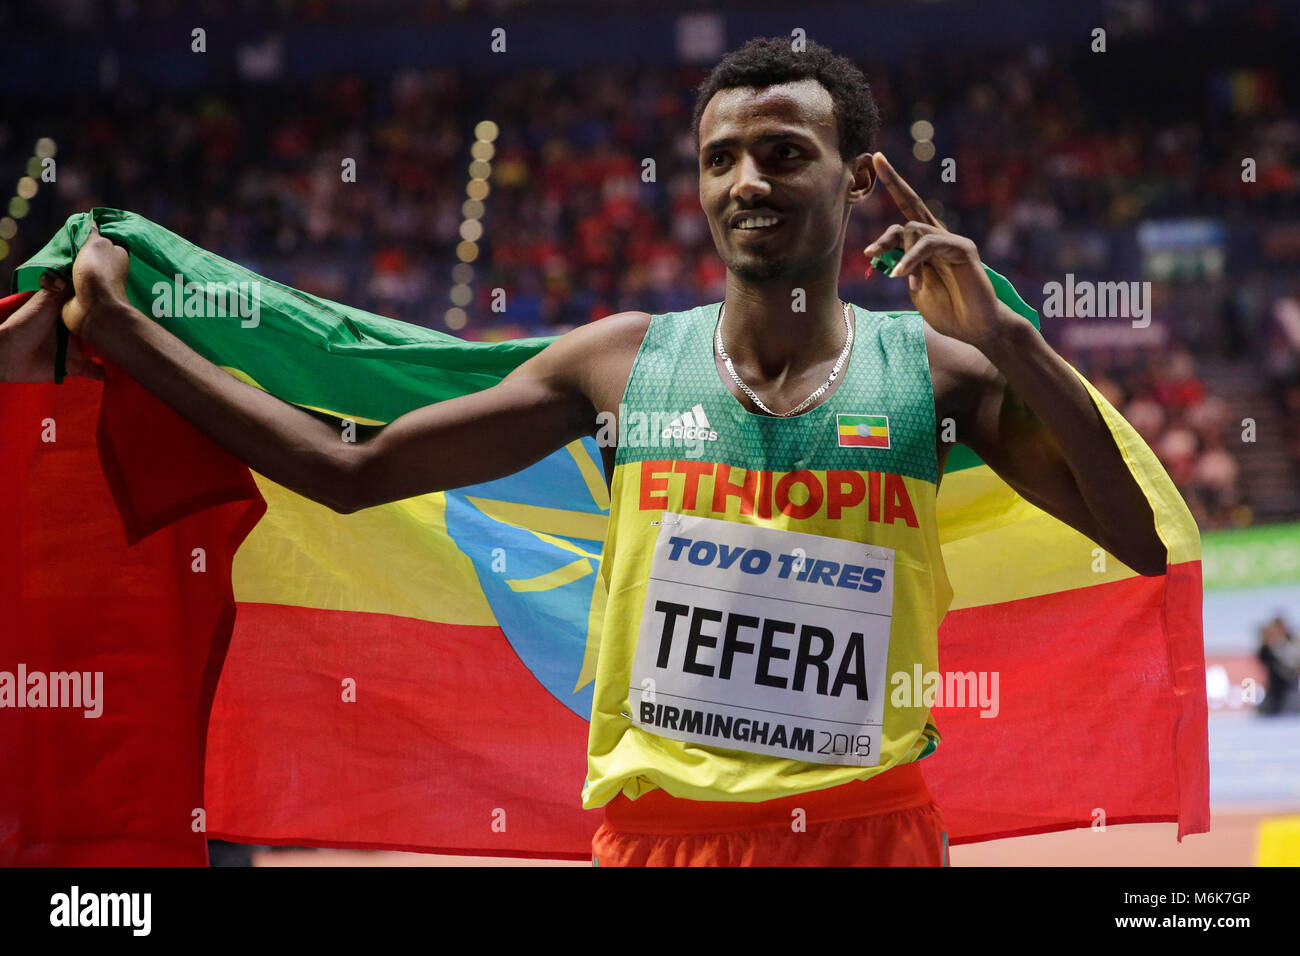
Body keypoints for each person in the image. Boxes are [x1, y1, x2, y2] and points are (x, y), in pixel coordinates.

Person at [1, 37, 1167, 866]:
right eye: (720, 158)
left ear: (856, 177)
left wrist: (1011, 338)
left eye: (783, 152)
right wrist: (125, 334)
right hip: (660, 842)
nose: (746, 181)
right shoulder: (614, 365)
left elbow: (1136, 540)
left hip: (871, 832)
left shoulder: (937, 374)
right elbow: (347, 471)